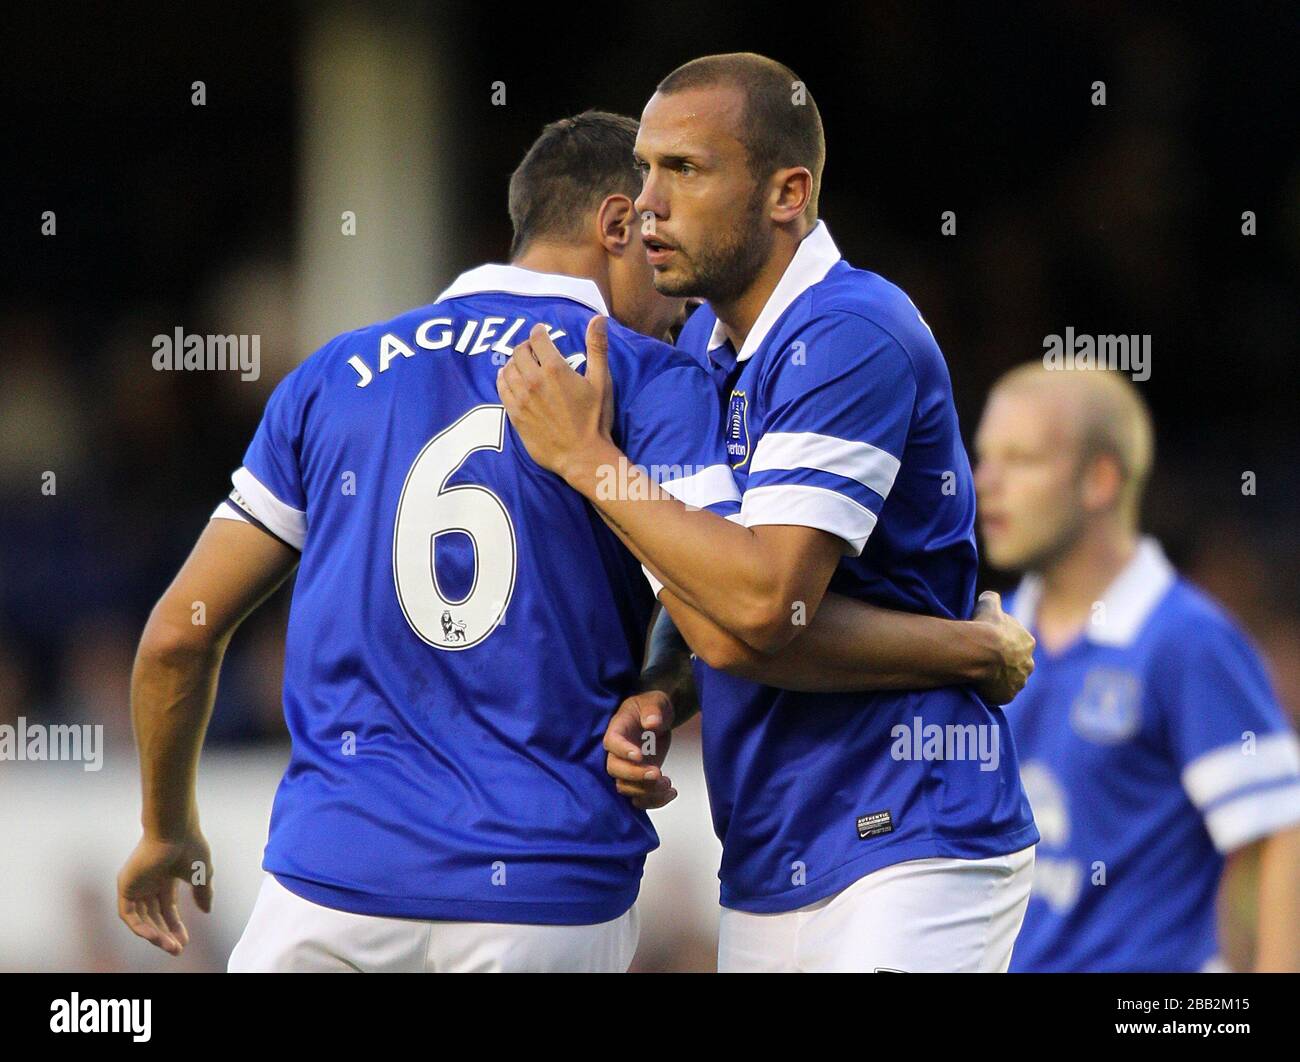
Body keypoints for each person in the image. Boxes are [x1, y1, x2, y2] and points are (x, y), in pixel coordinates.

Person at [117, 111, 1034, 973]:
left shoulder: (330, 377)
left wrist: (166, 829)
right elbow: (738, 622)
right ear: (616, 224)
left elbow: (177, 636)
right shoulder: (649, 380)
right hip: (544, 889)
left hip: (326, 886)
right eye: (656, 211)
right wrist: (964, 646)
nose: (677, 302)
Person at [499, 54, 1038, 972]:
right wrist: (665, 693)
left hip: (909, 830)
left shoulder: (847, 333)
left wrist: (591, 462)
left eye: (685, 170)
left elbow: (762, 606)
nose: (648, 205)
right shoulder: (705, 344)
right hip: (770, 855)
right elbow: (717, 605)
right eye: (644, 169)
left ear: (788, 193)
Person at [974, 362, 1300, 971]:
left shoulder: (1185, 639)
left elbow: (1282, 827)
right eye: (983, 457)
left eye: (1020, 459)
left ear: (1100, 479)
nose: (985, 481)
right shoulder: (986, 636)